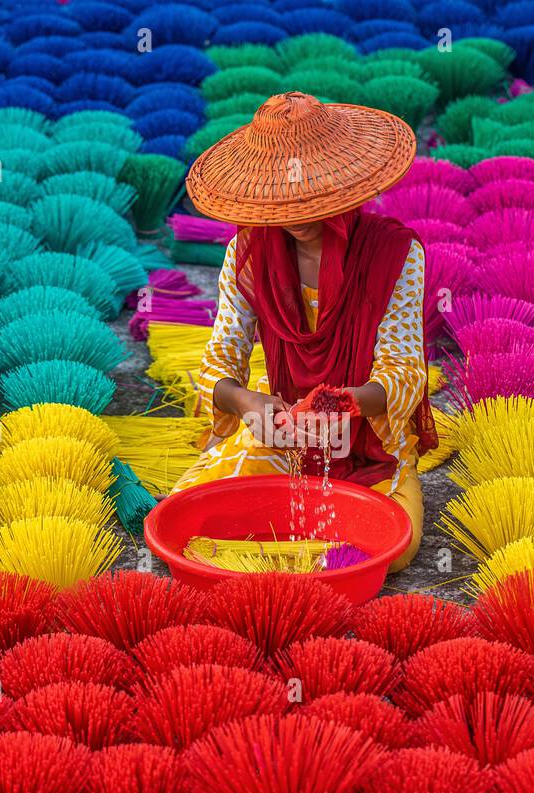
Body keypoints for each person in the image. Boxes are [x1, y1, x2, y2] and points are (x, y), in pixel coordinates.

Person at [172, 91, 436, 571]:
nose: (295, 218)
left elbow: (403, 372)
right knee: (187, 515)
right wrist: (248, 403)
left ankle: (294, 554)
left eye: (308, 199)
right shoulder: (248, 256)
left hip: (364, 444)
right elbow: (219, 362)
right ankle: (293, 555)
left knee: (389, 548)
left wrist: (345, 403)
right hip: (285, 437)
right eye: (282, 203)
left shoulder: (395, 255)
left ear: (341, 181)